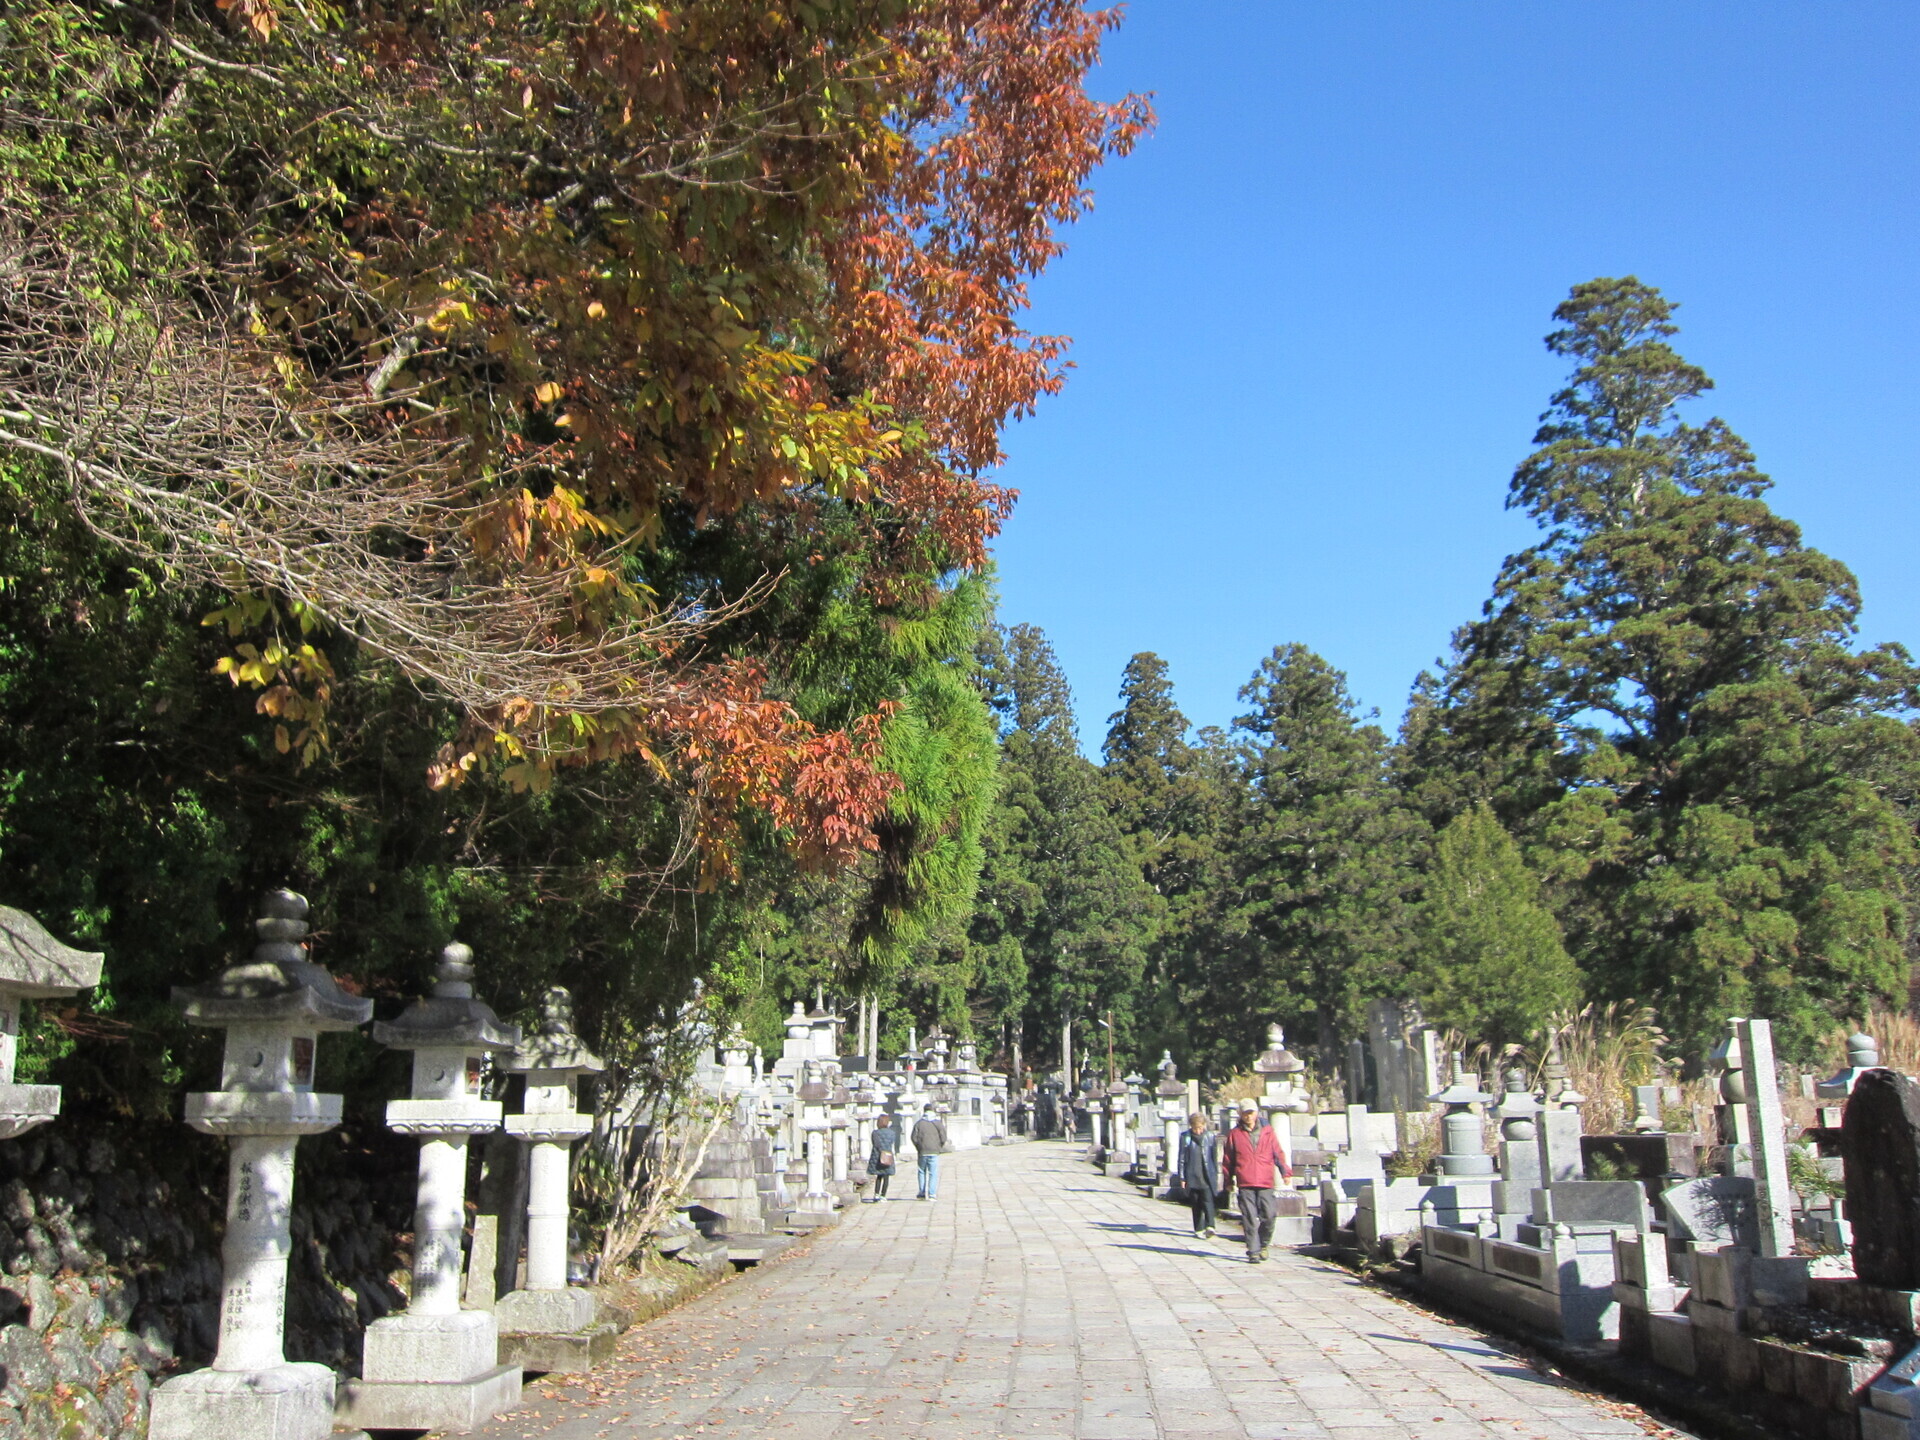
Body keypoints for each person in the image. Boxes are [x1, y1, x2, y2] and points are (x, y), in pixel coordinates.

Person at [1219, 1106, 1291, 1264]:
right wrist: (1228, 1181)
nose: (1248, 1116)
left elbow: (1278, 1153)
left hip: (1265, 1180)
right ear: (1240, 1114)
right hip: (1245, 1181)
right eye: (1245, 1113)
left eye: (1251, 1113)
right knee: (1249, 1218)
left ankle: (1263, 1244)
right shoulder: (1235, 1134)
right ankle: (1253, 1251)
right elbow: (1228, 1159)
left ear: (1256, 1113)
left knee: (1270, 1215)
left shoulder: (1267, 1131)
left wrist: (1285, 1172)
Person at [1175, 1111, 1221, 1237]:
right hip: (1192, 1174)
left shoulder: (1210, 1137)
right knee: (1196, 1202)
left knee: (1208, 1201)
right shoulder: (1186, 1137)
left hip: (1206, 1174)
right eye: (1196, 1128)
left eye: (1200, 1128)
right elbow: (1182, 1158)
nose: (1198, 1131)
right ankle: (1198, 1228)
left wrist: (1215, 1174)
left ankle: (1210, 1226)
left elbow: (1213, 1157)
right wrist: (1182, 1177)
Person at [911, 1103, 948, 1199]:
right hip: (934, 1151)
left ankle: (922, 1192)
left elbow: (913, 1137)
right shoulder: (938, 1123)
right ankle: (932, 1194)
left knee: (921, 1171)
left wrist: (919, 1146)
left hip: (922, 1151)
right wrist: (939, 1146)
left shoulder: (919, 1123)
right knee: (933, 1172)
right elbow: (943, 1137)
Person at [866, 1112, 900, 1203]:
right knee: (886, 1177)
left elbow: (875, 1144)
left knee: (879, 1176)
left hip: (877, 1156)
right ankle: (883, 1195)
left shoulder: (875, 1133)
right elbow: (891, 1143)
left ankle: (876, 1194)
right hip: (888, 1155)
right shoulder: (892, 1133)